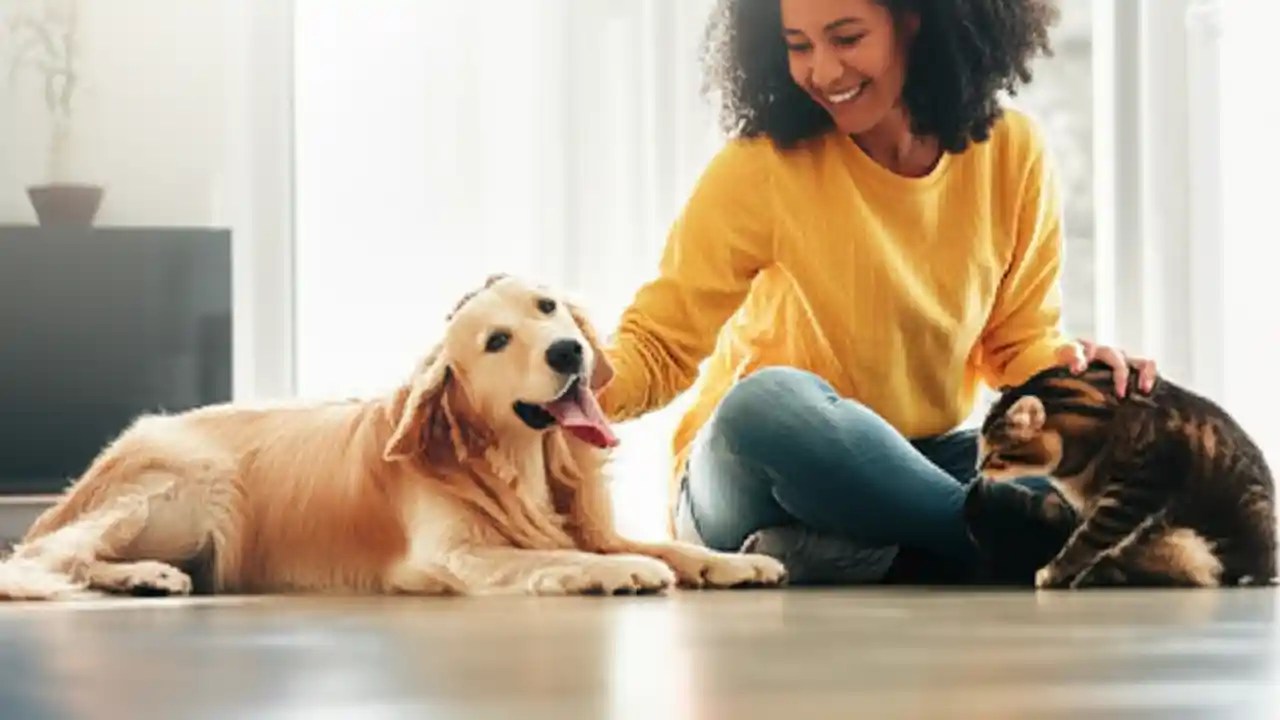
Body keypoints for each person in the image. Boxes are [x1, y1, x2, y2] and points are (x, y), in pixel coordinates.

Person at [596, 0, 1158, 584]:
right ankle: (993, 536)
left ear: (917, 21)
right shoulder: (760, 167)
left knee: (1119, 449)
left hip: (918, 462)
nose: (823, 71)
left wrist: (1083, 379)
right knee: (765, 405)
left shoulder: (1012, 151)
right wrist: (577, 383)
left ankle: (864, 554)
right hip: (756, 473)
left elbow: (1017, 344)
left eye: (846, 37)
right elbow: (659, 344)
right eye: (798, 45)